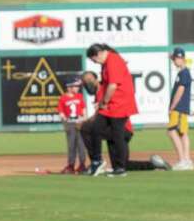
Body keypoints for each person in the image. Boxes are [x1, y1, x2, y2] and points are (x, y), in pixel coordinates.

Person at [81, 43, 137, 177]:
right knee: (95, 129)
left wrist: (103, 102)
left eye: (93, 59)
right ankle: (97, 161)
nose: (94, 62)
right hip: (112, 105)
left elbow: (112, 85)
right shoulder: (106, 63)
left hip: (120, 103)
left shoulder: (113, 60)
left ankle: (120, 168)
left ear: (99, 54)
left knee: (117, 136)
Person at [166, 46, 194, 170]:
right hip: (182, 108)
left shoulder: (184, 73)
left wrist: (172, 106)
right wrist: (171, 57)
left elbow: (180, 90)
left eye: (175, 58)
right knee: (182, 133)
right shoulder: (184, 72)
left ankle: (183, 160)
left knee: (171, 131)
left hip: (179, 108)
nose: (174, 61)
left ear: (180, 58)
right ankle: (187, 160)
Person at [56, 76, 88, 174]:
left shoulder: (79, 96)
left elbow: (83, 109)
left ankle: (82, 165)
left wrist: (83, 119)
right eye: (75, 86)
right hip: (70, 124)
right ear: (69, 87)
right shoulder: (63, 98)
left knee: (81, 145)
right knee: (71, 145)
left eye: (78, 86)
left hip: (79, 123)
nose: (77, 88)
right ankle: (71, 165)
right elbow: (61, 112)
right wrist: (64, 120)